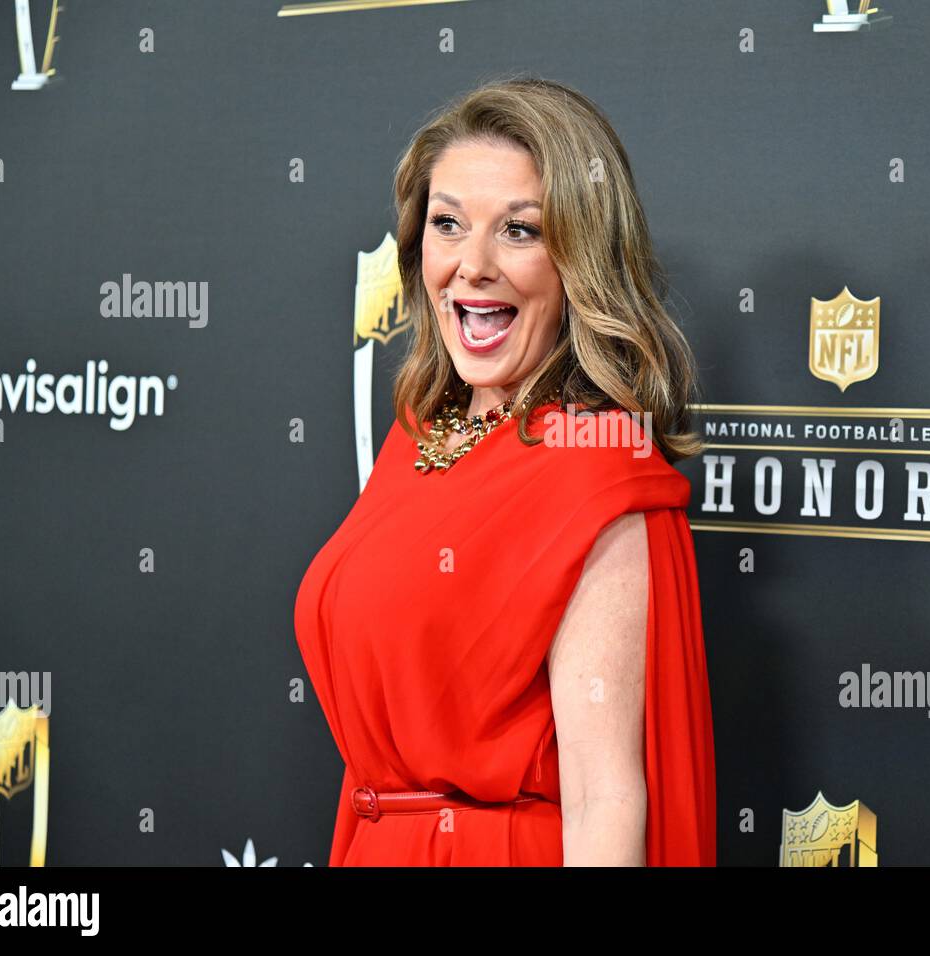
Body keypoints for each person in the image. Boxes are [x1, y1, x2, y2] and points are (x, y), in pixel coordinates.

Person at [294, 75, 716, 866]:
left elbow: (605, 800)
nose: (472, 265)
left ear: (581, 262)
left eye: (519, 231)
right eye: (448, 224)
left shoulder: (598, 472)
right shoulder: (419, 436)